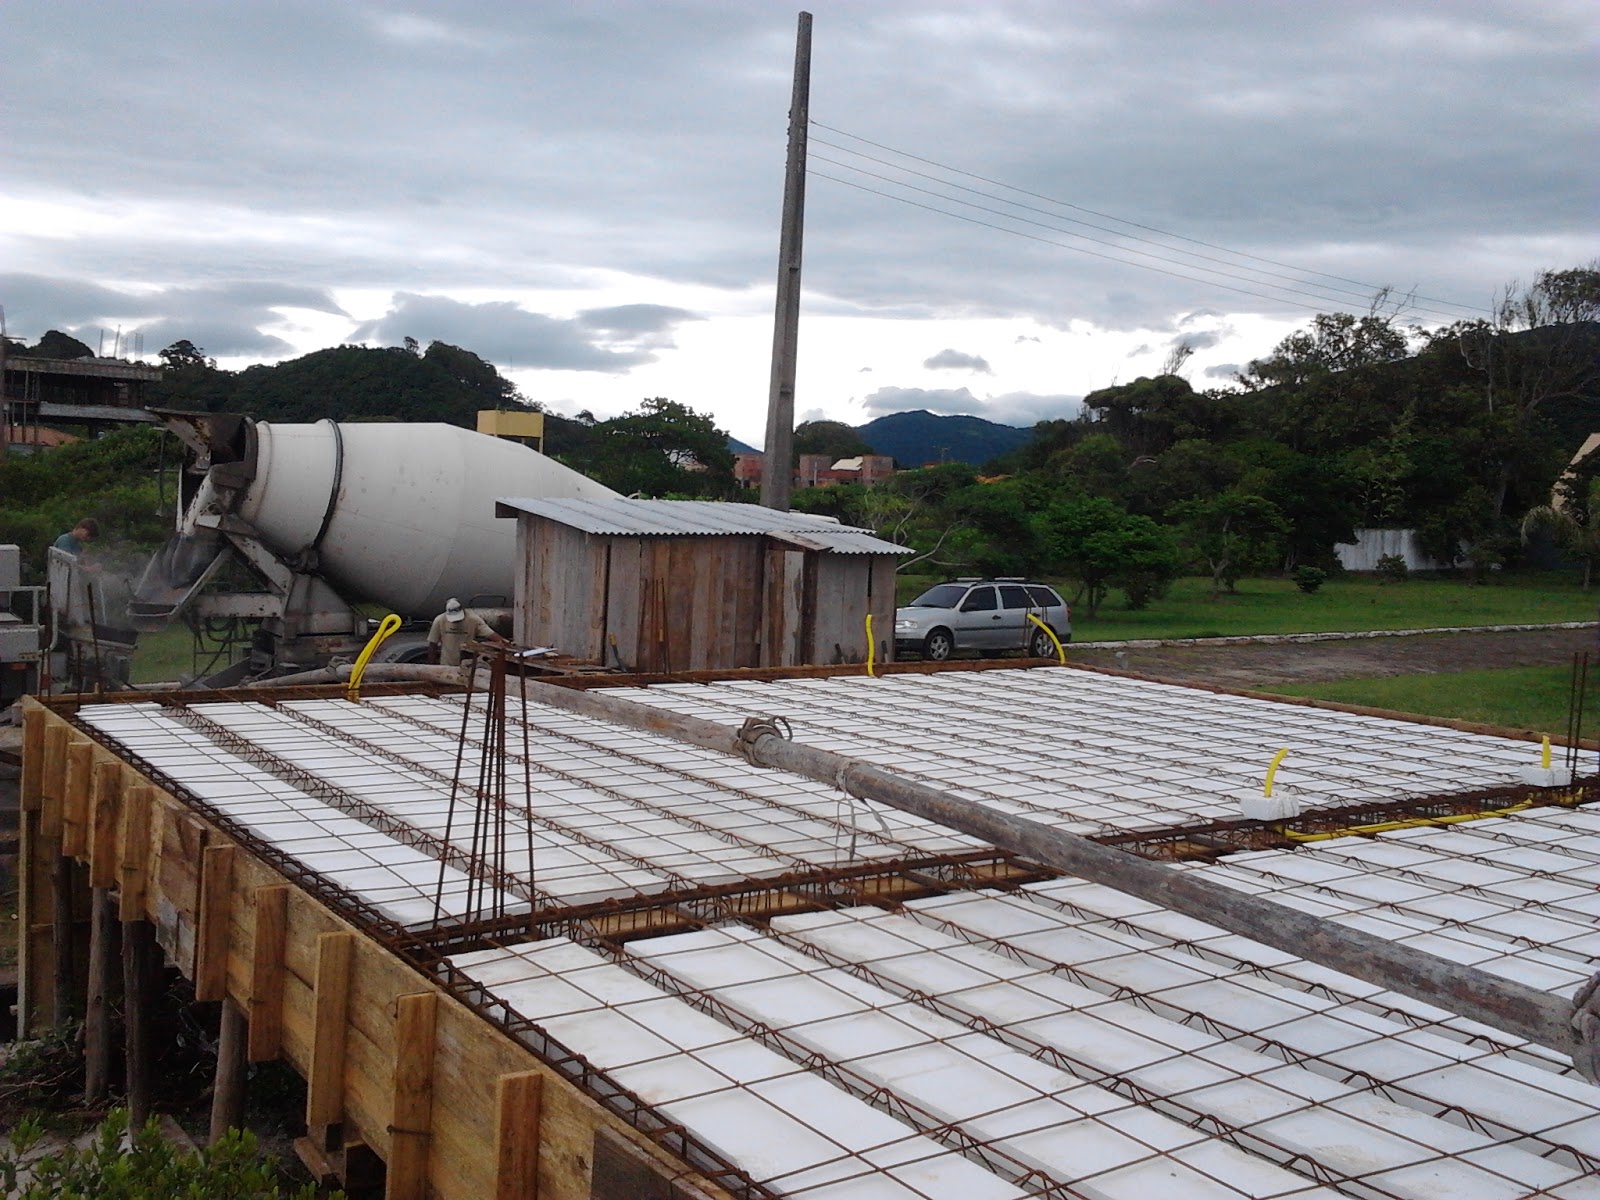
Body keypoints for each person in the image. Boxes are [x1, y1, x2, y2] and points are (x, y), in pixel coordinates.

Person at [426, 597, 506, 664]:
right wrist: (431, 666)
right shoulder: (440, 620)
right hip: (447, 664)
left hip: (467, 664)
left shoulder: (473, 620)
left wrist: (506, 644)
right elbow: (433, 644)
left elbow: (491, 634)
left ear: (463, 610)